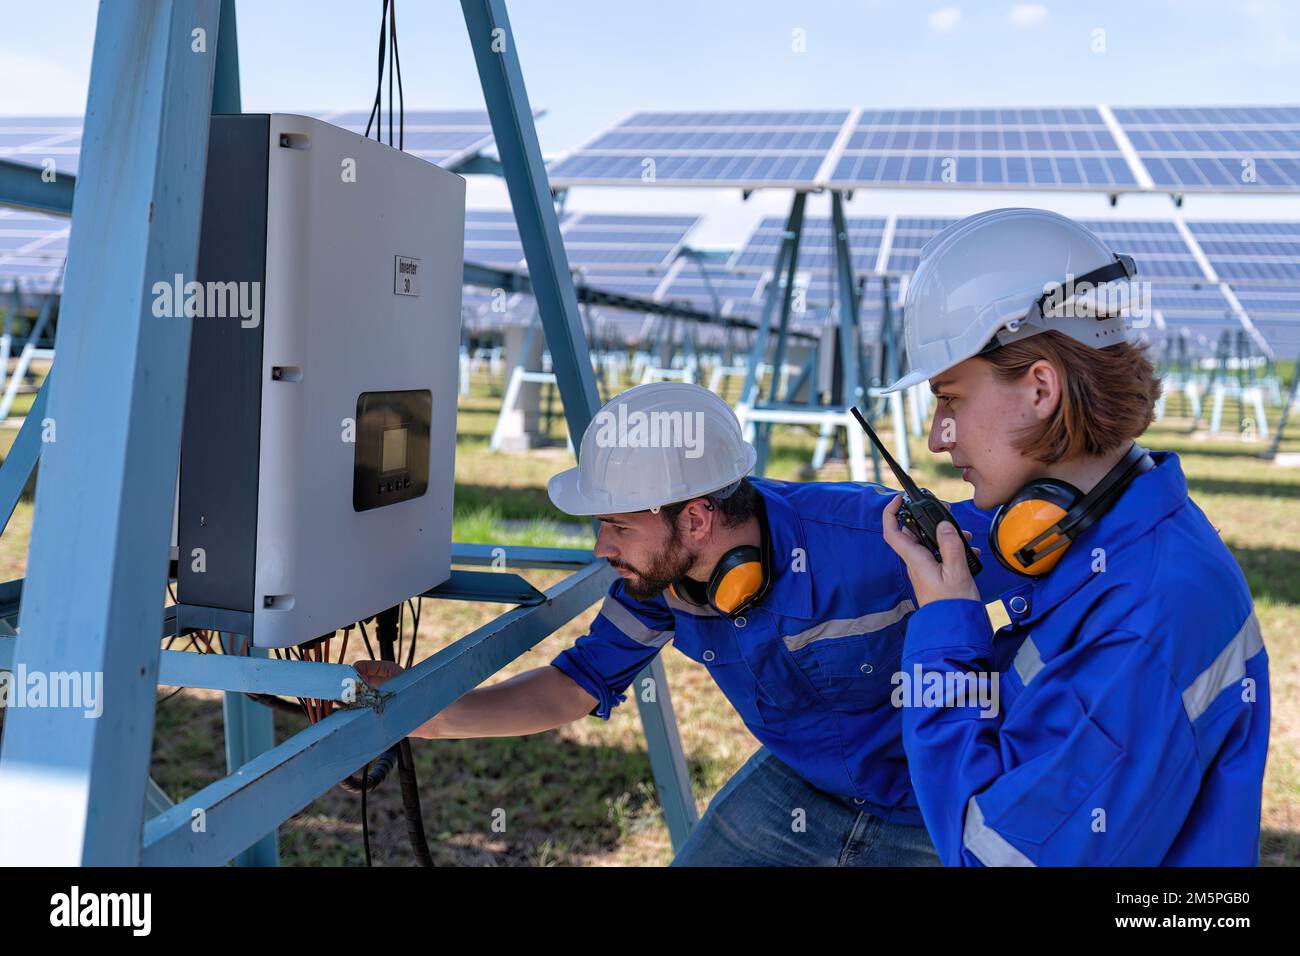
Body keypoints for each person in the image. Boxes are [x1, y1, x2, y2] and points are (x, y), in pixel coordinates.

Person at [359, 381, 1018, 865]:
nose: (601, 547)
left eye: (617, 525)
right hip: (799, 783)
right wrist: (432, 714)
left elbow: (1040, 542)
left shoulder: (868, 537)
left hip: (934, 805)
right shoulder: (660, 580)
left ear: (696, 518)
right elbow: (576, 685)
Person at [879, 207, 1270, 866]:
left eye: (950, 400)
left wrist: (947, 632)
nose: (936, 437)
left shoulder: (1146, 617)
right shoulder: (1115, 536)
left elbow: (990, 859)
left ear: (1039, 389)